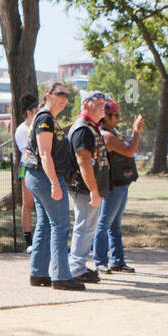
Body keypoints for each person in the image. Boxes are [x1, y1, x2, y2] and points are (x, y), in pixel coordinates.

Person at [23, 82, 83, 290]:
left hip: (38, 177)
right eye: (60, 94)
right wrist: (55, 184)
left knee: (45, 224)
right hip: (45, 177)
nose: (65, 98)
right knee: (60, 224)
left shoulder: (48, 120)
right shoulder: (45, 119)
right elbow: (45, 153)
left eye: (67, 95)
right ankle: (61, 276)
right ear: (48, 95)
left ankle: (38, 273)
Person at [94, 100, 143, 274]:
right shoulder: (106, 135)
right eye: (116, 115)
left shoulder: (112, 132)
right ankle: (100, 261)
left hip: (122, 183)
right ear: (105, 117)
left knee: (115, 225)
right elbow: (129, 151)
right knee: (104, 223)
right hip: (113, 185)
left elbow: (127, 147)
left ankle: (117, 261)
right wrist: (136, 131)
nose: (119, 118)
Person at [65, 91, 108, 283]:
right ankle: (76, 268)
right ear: (85, 105)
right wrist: (94, 190)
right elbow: (83, 161)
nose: (102, 105)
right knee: (85, 227)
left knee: (87, 226)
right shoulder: (83, 129)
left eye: (104, 102)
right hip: (84, 187)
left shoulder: (91, 127)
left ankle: (78, 265)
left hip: (88, 187)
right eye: (97, 102)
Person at [13, 92, 39, 250]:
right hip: (28, 166)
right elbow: (29, 151)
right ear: (29, 112)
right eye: (36, 109)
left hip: (39, 167)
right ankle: (28, 241)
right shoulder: (22, 130)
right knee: (28, 204)